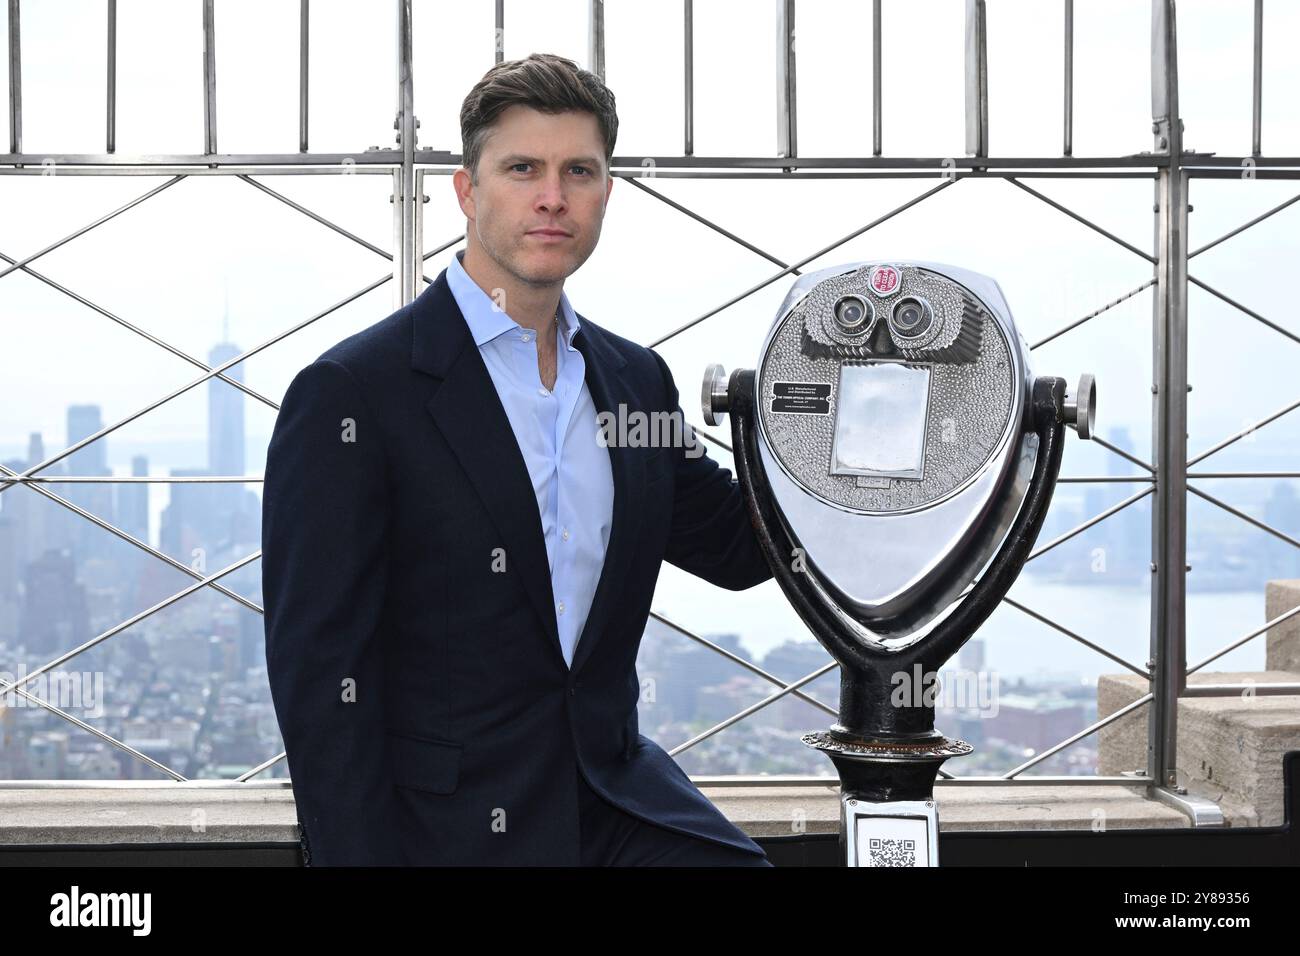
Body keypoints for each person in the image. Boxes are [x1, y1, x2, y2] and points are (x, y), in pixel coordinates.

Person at [262, 52, 774, 866]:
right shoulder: (354, 393)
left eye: (580, 171)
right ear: (468, 192)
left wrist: (865, 436)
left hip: (610, 798)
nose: (552, 197)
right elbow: (321, 676)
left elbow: (742, 546)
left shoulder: (635, 382)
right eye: (522, 169)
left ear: (606, 194)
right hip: (444, 825)